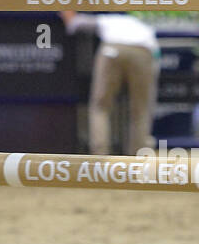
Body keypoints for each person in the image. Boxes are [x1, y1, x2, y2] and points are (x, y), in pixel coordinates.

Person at [62, 10, 160, 156]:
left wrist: (66, 11)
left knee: (100, 107)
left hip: (111, 48)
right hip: (143, 52)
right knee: (141, 110)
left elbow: (76, 23)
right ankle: (138, 160)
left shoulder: (108, 18)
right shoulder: (141, 25)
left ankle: (99, 158)